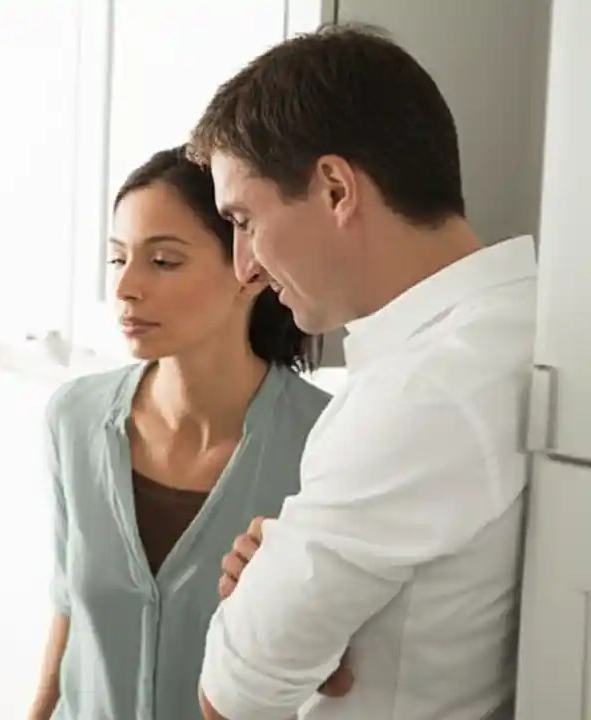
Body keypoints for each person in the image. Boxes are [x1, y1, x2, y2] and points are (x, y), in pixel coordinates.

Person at [188, 25, 537, 720]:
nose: (243, 267)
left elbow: (232, 698)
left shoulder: (424, 390)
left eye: (244, 219)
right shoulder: (528, 325)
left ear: (335, 188)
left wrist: (270, 603)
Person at [28, 147, 331, 720]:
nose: (126, 288)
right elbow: (69, 612)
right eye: (118, 260)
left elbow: (344, 667)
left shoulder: (325, 439)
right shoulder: (74, 419)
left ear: (250, 270)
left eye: (163, 261)